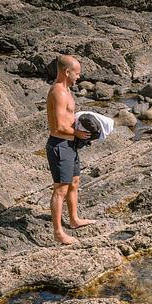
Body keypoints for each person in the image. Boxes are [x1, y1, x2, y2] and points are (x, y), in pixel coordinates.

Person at [46, 55, 93, 245]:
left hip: (70, 144)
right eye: (77, 73)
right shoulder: (58, 92)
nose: (78, 77)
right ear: (67, 72)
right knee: (60, 189)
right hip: (59, 145)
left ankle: (74, 220)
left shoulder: (67, 90)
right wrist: (78, 133)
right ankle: (58, 233)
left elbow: (69, 117)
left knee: (74, 182)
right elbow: (57, 126)